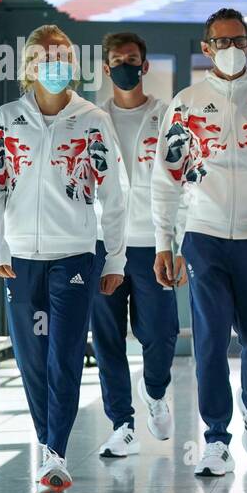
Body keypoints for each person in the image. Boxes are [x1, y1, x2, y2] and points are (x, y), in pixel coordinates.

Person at [150, 7, 247, 477]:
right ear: (206, 48)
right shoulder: (186, 104)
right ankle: (216, 438)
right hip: (203, 238)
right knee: (211, 339)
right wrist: (164, 242)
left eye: (238, 40)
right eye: (221, 42)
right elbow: (166, 179)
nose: (231, 49)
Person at [0, 24, 128, 493]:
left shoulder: (92, 120)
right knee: (31, 359)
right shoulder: (8, 118)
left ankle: (55, 454)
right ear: (29, 66)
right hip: (20, 257)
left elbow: (114, 196)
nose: (56, 63)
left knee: (64, 354)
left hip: (75, 256)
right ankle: (48, 445)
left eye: (63, 54)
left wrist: (115, 260)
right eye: (46, 55)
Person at [90, 32, 179, 457]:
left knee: (159, 334)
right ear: (106, 69)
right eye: (117, 61)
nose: (125, 66)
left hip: (151, 244)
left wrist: (174, 241)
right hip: (104, 245)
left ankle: (156, 391)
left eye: (132, 60)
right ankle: (121, 424)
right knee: (106, 338)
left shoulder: (168, 116)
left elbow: (182, 181)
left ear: (144, 67)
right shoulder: (91, 119)